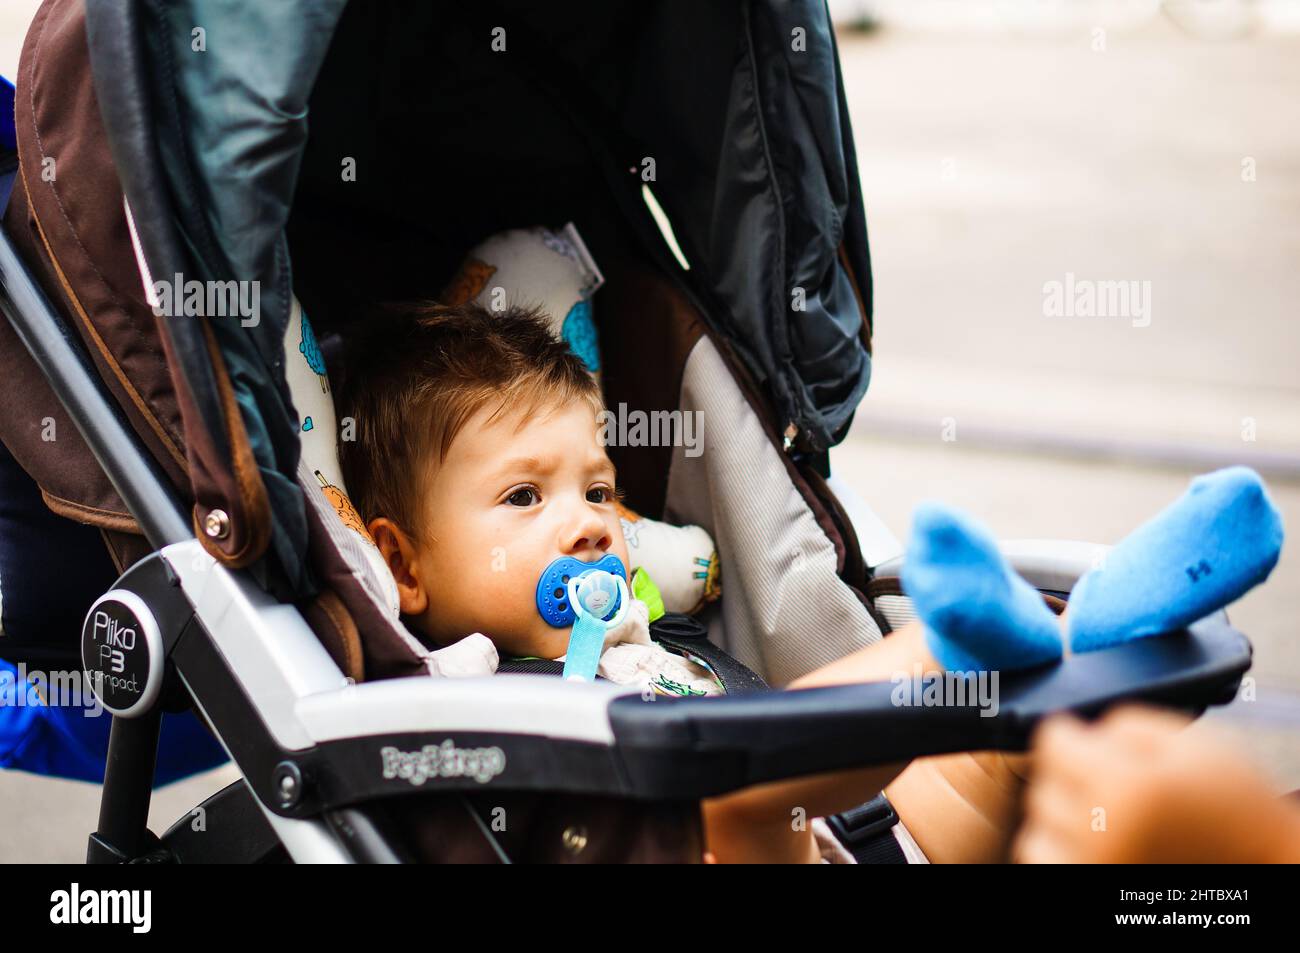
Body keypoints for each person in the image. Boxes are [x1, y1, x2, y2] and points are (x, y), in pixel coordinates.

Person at [338, 300, 1284, 863]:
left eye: (597, 488)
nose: (586, 519)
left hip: (868, 827)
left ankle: (1097, 622)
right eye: (521, 497)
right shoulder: (446, 687)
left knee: (1001, 729)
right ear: (406, 564)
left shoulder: (656, 628)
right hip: (734, 839)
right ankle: (978, 643)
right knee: (770, 775)